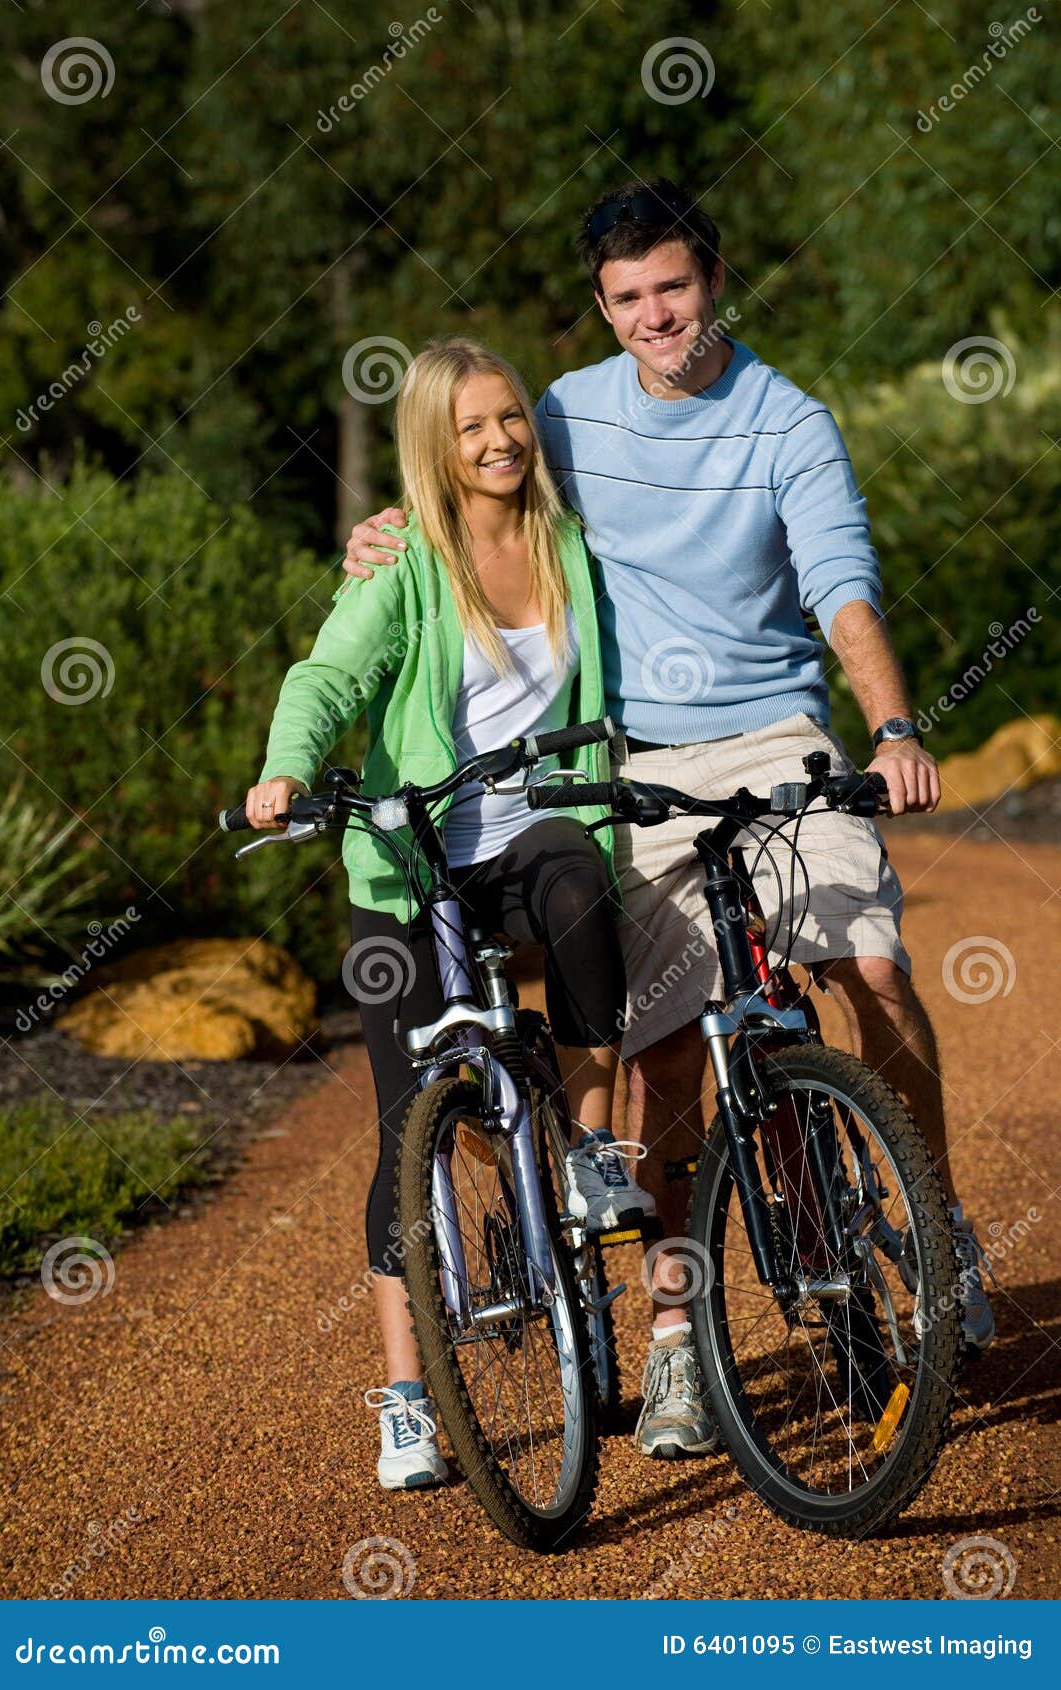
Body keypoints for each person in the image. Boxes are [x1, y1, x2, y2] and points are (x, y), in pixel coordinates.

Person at [341, 179, 996, 1459]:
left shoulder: (788, 420)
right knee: (668, 1065)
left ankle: (938, 1222)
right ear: (603, 304)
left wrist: (896, 726)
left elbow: (842, 583)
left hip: (777, 734)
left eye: (676, 289)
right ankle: (678, 1342)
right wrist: (391, 530)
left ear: (715, 280)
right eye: (630, 297)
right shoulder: (571, 415)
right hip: (630, 758)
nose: (657, 317)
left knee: (869, 970)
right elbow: (478, 487)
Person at [242, 337, 654, 1492]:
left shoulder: (566, 545)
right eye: (472, 427)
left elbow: (615, 673)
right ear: (436, 441)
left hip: (531, 844)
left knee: (578, 874)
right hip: (412, 864)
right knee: (405, 1125)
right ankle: (409, 1395)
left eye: (510, 417)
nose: (500, 441)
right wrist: (285, 771)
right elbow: (325, 678)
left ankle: (586, 1155)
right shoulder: (406, 562)